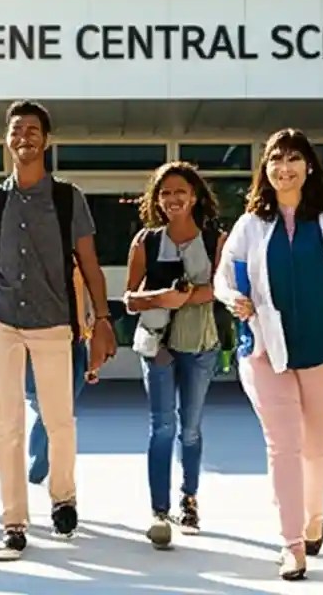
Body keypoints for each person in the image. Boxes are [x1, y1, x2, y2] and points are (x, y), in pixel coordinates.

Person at [212, 117, 323, 581]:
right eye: (276, 159)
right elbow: (223, 276)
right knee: (284, 446)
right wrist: (232, 298)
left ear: (309, 167)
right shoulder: (252, 224)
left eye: (294, 158)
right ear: (265, 169)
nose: (285, 166)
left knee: (315, 447)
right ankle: (291, 544)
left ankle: (314, 519)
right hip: (265, 352)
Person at [0, 99, 117, 562]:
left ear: (46, 140)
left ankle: (63, 497)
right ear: (7, 139)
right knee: (7, 424)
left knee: (59, 420)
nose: (24, 137)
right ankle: (13, 522)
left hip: (54, 322)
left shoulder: (67, 198)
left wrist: (102, 320)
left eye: (32, 130)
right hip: (2, 321)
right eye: (16, 130)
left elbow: (89, 264)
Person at [123, 161, 228, 549]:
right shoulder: (146, 241)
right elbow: (130, 299)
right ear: (156, 199)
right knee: (162, 426)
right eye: (165, 192)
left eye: (180, 191)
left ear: (194, 196)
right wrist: (162, 298)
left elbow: (221, 289)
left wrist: (187, 297)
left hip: (200, 345)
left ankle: (189, 499)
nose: (172, 199)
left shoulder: (216, 239)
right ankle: (159, 511)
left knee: (191, 428)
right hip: (158, 346)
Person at [25, 261, 93, 486]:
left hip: (73, 336)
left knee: (60, 404)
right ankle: (40, 462)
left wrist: (86, 321)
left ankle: (46, 463)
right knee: (48, 403)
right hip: (47, 333)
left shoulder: (74, 257)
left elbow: (83, 285)